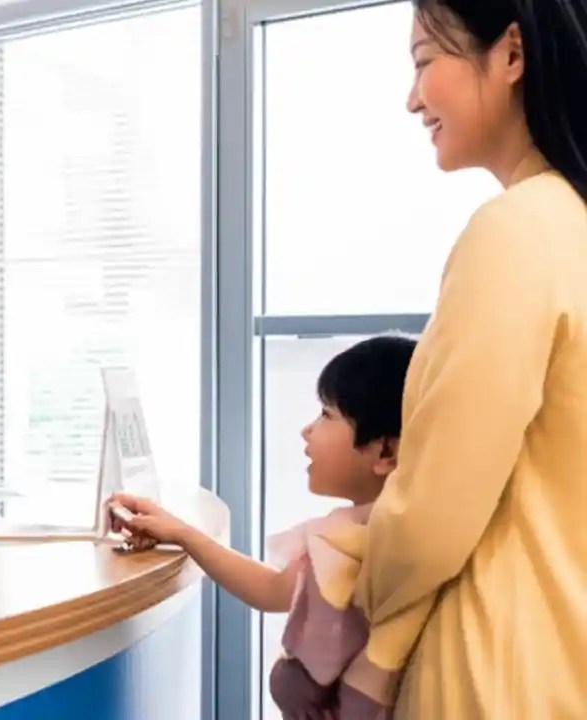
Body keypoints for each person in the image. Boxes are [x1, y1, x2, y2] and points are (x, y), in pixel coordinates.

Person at [346, 2, 587, 717]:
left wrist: (359, 592)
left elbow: (433, 510)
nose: (413, 97)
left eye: (425, 62)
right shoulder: (572, 225)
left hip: (492, 671)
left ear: (511, 55)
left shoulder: (517, 232)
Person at [106, 335, 416, 717]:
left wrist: (183, 533)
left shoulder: (377, 545)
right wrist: (182, 533)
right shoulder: (353, 535)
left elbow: (272, 591)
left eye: (326, 414)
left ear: (385, 451)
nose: (307, 430)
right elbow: (273, 589)